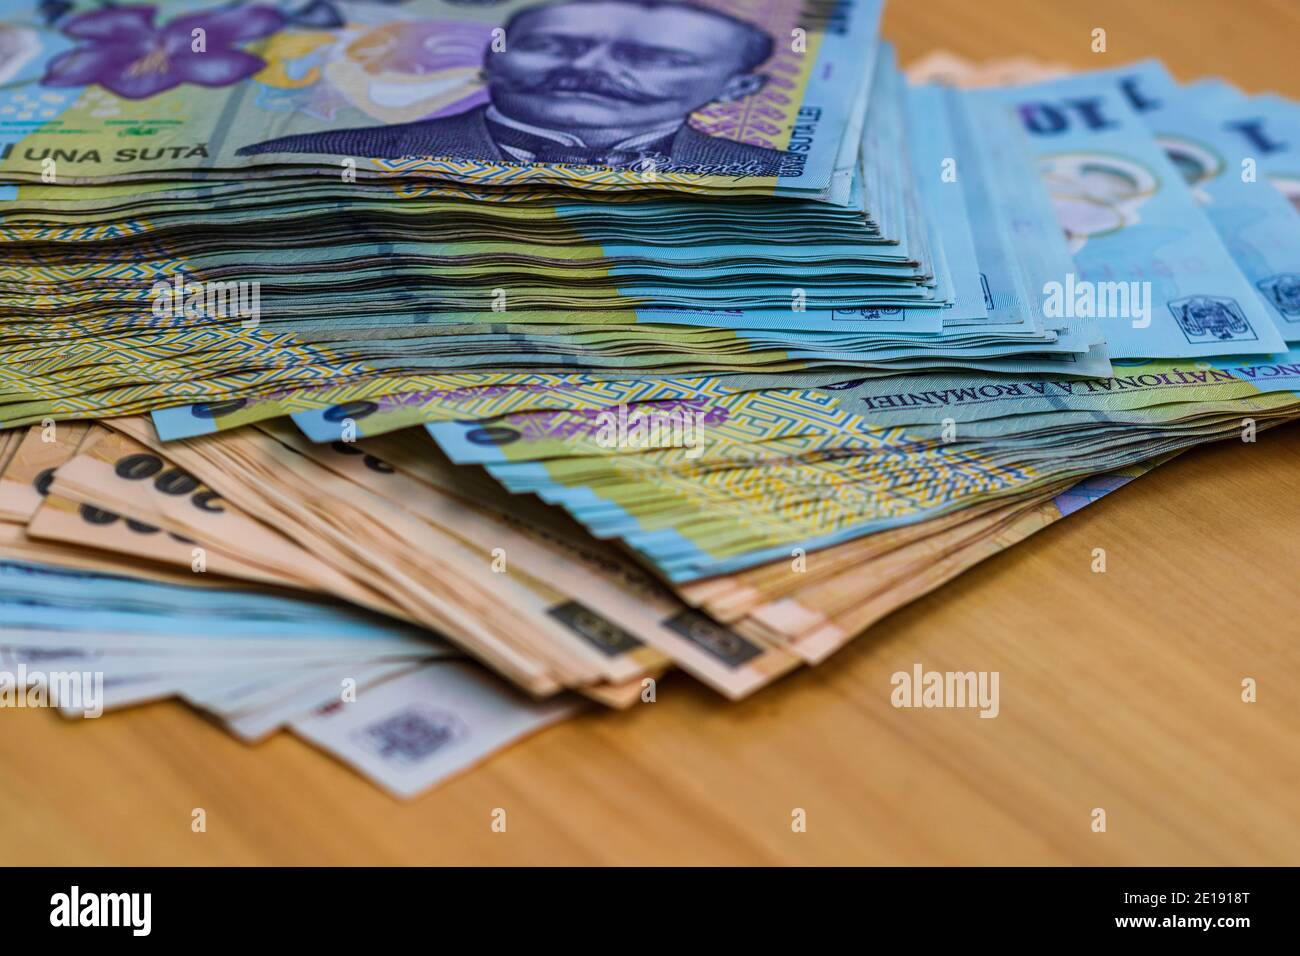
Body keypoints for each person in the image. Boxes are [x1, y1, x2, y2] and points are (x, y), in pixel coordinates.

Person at [237, 0, 790, 174]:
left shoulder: (783, 182)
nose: (589, 67)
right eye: (553, 46)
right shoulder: (300, 162)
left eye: (652, 57)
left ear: (737, 87)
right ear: (491, 57)